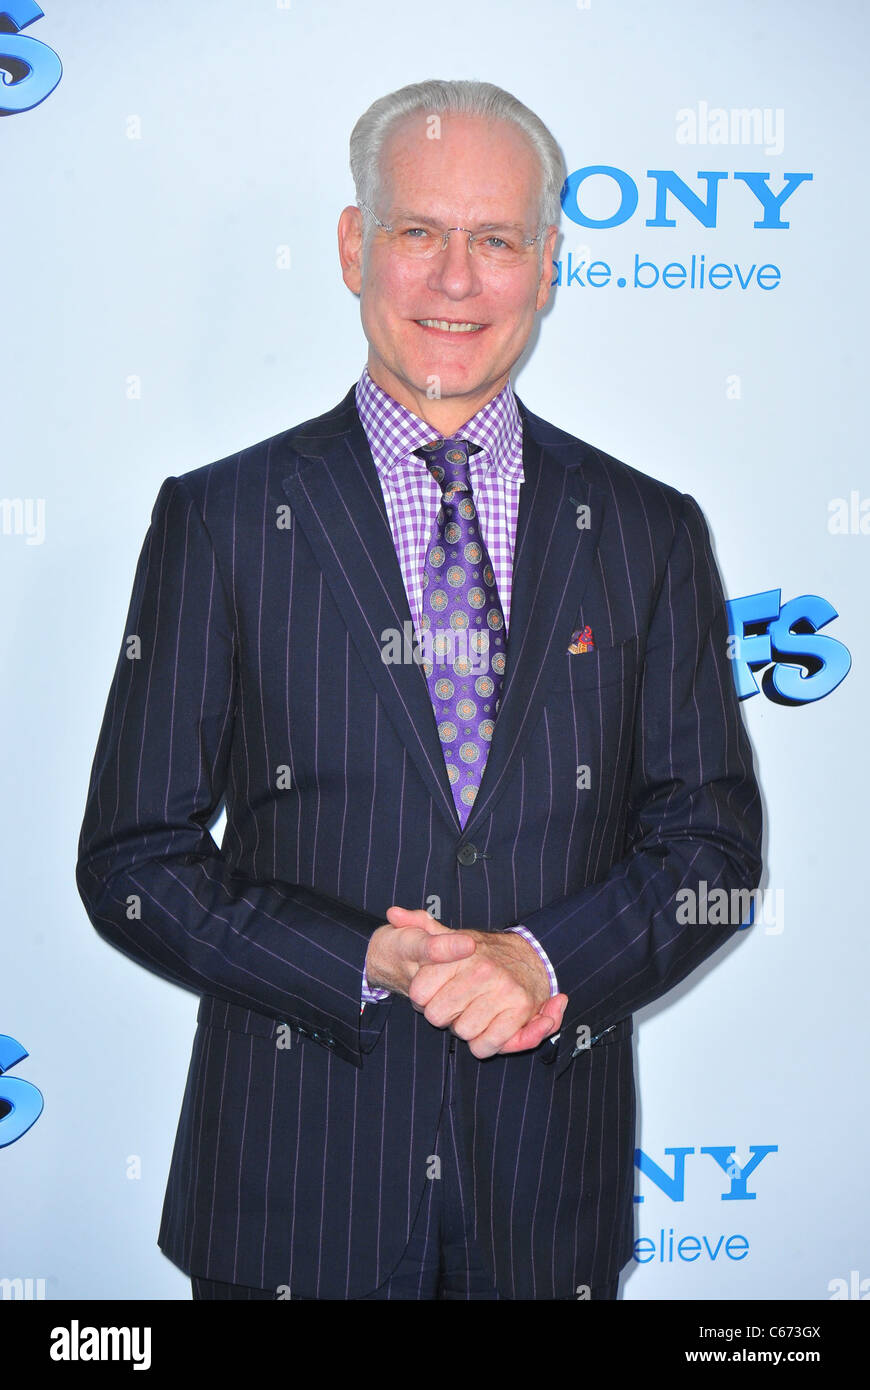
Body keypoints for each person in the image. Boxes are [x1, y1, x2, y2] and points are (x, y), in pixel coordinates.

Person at [76, 78, 762, 1301]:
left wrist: (541, 960)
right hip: (290, 1199)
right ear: (355, 246)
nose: (458, 280)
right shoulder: (223, 519)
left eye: (496, 240)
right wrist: (367, 963)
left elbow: (710, 850)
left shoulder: (648, 532)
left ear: (546, 265)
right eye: (419, 232)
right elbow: (132, 861)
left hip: (547, 1204)